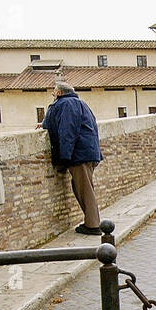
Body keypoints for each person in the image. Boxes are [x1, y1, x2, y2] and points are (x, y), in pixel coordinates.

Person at [41, 80, 104, 234]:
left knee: (84, 189)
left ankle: (93, 225)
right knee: (82, 187)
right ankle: (91, 222)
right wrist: (44, 124)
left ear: (60, 92)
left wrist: (64, 156)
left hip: (79, 154)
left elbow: (67, 130)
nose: (53, 95)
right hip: (88, 152)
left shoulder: (66, 105)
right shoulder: (80, 103)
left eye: (54, 92)